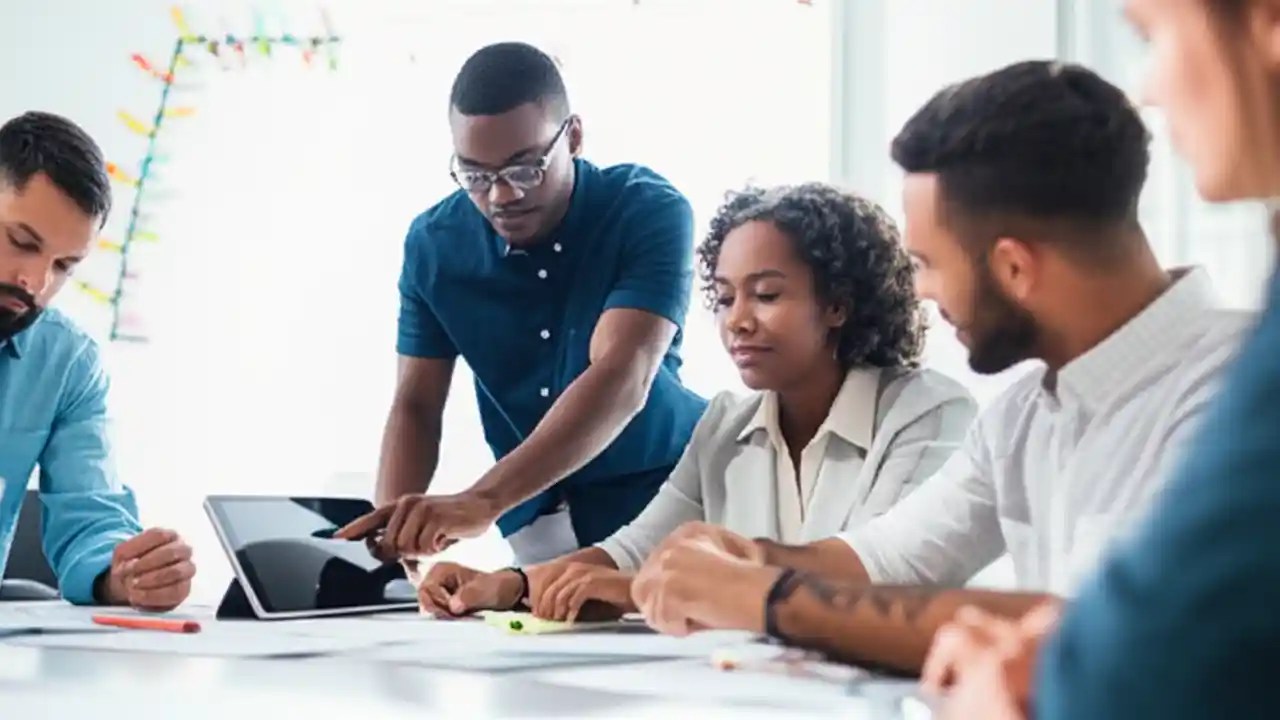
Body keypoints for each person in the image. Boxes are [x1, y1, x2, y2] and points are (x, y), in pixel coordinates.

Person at [628, 60, 1250, 675]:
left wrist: (767, 597)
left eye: (928, 261)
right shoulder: (1024, 415)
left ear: (1014, 269)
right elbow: (887, 560)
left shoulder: (1238, 391)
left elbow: (1109, 633)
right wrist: (745, 558)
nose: (919, 290)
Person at [929, 1, 1280, 717]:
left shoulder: (1227, 367)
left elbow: (1165, 655)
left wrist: (1055, 681)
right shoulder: (1022, 413)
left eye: (1153, 35)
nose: (1148, 89)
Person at [414, 183, 976, 621]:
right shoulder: (726, 423)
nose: (738, 320)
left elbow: (882, 579)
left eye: (767, 295)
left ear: (839, 305)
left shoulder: (926, 413)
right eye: (726, 296)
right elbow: (633, 549)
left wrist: (642, 591)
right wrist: (508, 585)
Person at [336, 42, 706, 565]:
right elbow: (417, 405)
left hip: (670, 494)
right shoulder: (433, 244)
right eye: (475, 176)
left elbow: (623, 374)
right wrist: (392, 546)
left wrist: (481, 500)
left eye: (524, 169)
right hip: (535, 517)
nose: (500, 197)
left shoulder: (645, 208)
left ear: (573, 137)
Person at [0, 110, 195, 610]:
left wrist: (124, 574)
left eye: (64, 266)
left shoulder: (67, 362)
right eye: (22, 243)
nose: (37, 282)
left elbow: (90, 514)